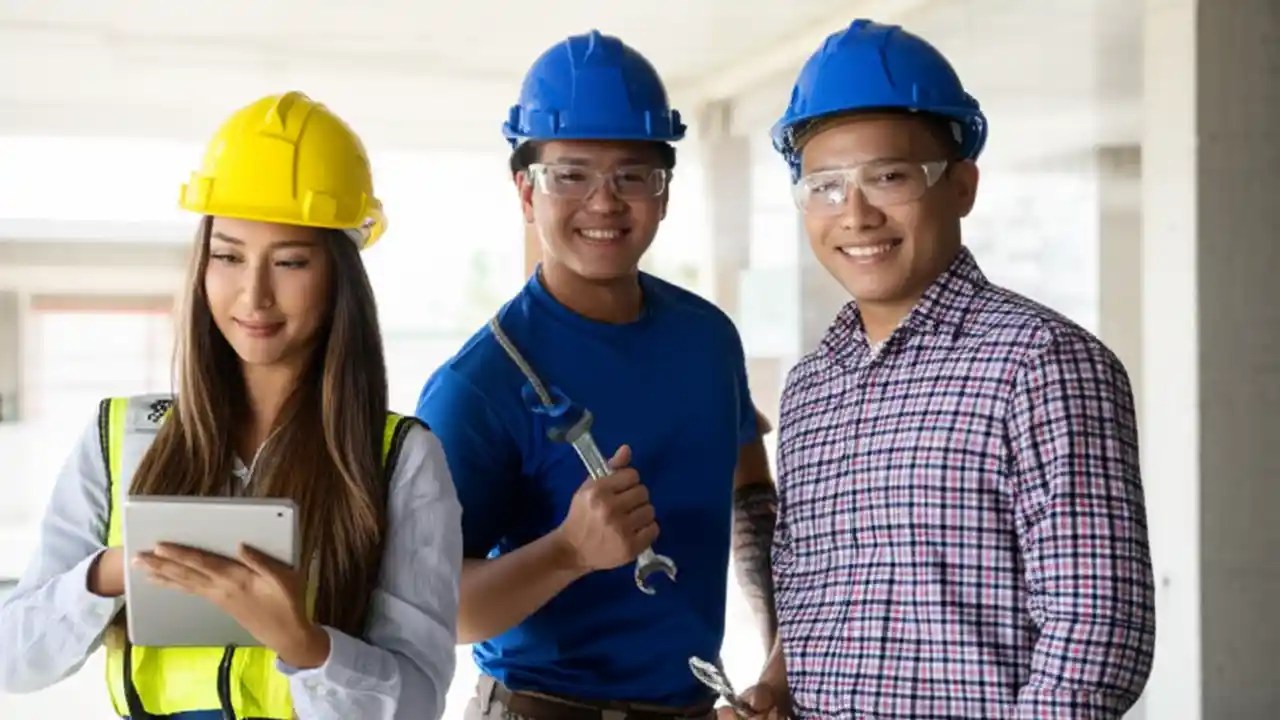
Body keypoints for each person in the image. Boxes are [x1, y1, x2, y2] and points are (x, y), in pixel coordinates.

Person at [0, 91, 462, 720]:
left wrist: (304, 644)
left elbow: (417, 703)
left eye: (291, 261)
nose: (254, 294)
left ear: (339, 276)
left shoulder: (400, 460)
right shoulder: (118, 435)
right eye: (227, 255)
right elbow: (13, 658)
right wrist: (111, 572)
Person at [750, 18, 1157, 719]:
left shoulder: (1041, 363)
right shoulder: (810, 388)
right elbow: (809, 587)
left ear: (962, 186)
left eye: (888, 177)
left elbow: (1096, 630)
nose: (855, 213)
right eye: (825, 186)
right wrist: (777, 689)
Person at [415, 29, 779, 719]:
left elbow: (752, 500)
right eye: (571, 174)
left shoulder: (709, 339)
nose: (605, 203)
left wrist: (770, 668)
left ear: (664, 192)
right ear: (526, 191)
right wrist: (567, 554)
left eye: (632, 175)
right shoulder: (480, 384)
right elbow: (431, 608)